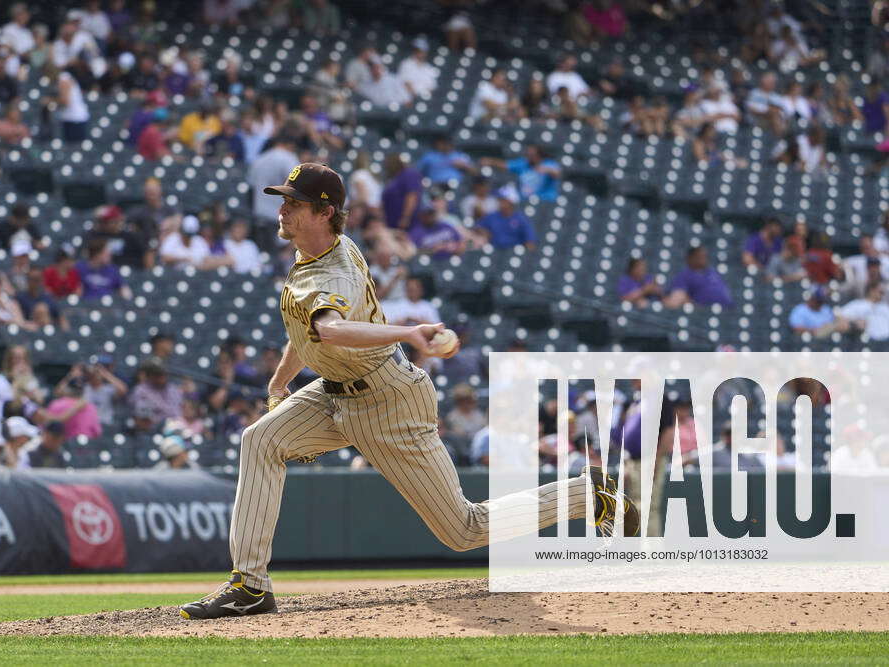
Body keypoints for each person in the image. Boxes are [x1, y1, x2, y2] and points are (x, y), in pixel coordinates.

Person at [178, 161, 637, 620]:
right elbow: (308, 333)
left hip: (388, 400)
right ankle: (250, 585)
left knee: (462, 529)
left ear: (324, 211)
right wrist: (279, 382)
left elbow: (332, 330)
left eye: (293, 203)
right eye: (283, 200)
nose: (281, 210)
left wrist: (408, 333)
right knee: (260, 440)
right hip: (337, 390)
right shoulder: (323, 252)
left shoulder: (331, 274)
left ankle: (589, 493)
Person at [247, 134, 299, 225]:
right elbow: (299, 182)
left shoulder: (259, 159)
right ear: (290, 144)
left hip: (259, 213)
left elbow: (251, 185)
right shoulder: (288, 158)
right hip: (279, 216)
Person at [481, 144, 561, 202]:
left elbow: (557, 174)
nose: (529, 157)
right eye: (528, 155)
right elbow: (505, 165)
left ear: (539, 155)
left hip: (545, 200)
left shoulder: (549, 164)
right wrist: (490, 161)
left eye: (532, 155)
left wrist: (548, 170)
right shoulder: (524, 163)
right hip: (526, 200)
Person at [664, 246, 734, 308]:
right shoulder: (685, 275)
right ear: (690, 258)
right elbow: (677, 297)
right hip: (703, 313)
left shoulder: (712, 272)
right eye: (699, 256)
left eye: (704, 256)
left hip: (727, 310)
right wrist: (695, 306)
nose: (703, 259)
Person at [472, 185, 537, 250]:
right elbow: (477, 228)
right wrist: (483, 232)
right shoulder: (491, 216)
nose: (500, 202)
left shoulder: (521, 219)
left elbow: (530, 242)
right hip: (493, 251)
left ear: (511, 202)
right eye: (499, 200)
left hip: (513, 252)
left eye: (503, 200)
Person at [129, 358, 184, 431]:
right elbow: (138, 413)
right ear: (149, 375)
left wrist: (156, 405)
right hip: (146, 428)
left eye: (162, 373)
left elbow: (175, 414)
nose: (161, 377)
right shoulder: (140, 389)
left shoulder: (173, 389)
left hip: (168, 428)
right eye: (157, 374)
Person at [380, 153, 423, 231]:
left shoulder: (409, 174)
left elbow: (412, 196)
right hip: (392, 225)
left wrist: (406, 217)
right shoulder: (392, 179)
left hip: (409, 225)